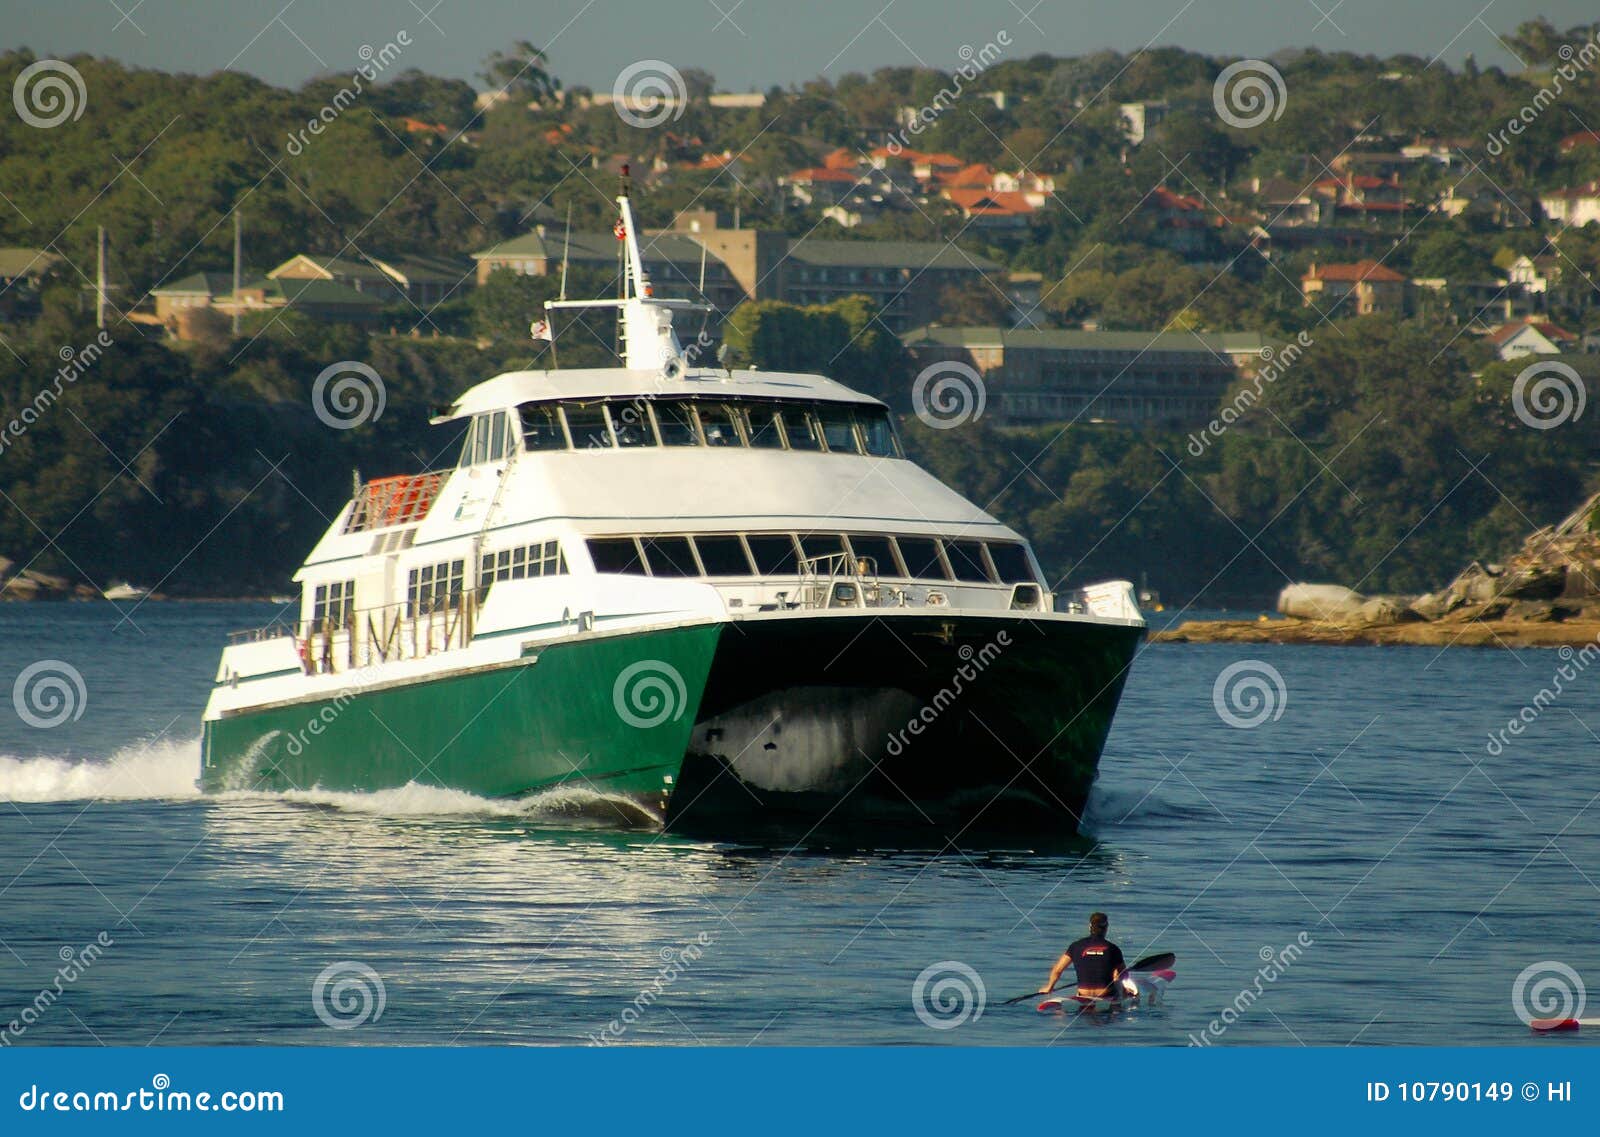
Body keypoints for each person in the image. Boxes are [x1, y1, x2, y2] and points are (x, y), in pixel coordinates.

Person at [1040, 912, 1126, 998]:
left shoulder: (1075, 946)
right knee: (1118, 982)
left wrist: (1049, 987)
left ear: (1090, 927)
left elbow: (1057, 970)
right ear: (1106, 927)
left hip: (1083, 995)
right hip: (1105, 995)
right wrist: (1118, 979)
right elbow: (1124, 974)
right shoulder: (1113, 948)